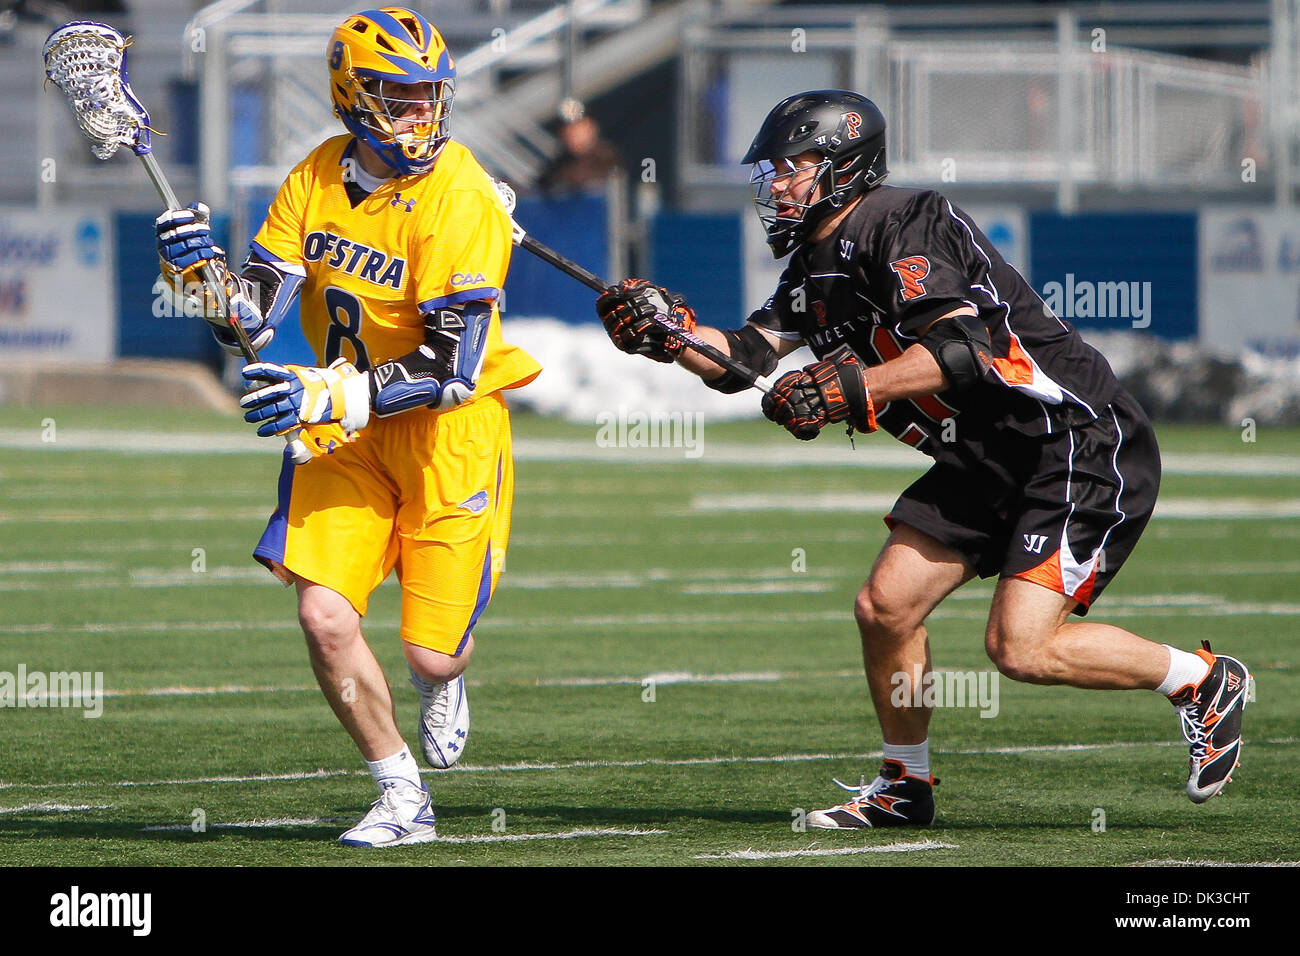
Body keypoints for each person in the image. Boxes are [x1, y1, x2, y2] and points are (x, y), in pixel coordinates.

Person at [594, 90, 1250, 828]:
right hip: (984, 456)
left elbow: (962, 351)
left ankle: (1198, 680)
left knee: (1020, 648)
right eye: (771, 171)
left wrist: (843, 388)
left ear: (844, 168)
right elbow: (742, 356)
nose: (775, 184)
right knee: (886, 606)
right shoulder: (815, 264)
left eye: (793, 166)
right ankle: (904, 786)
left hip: (1070, 438)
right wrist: (669, 331)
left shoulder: (904, 221)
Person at [154, 6, 540, 846]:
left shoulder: (462, 195)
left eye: (430, 96)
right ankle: (402, 797)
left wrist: (327, 396)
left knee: (433, 655)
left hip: (447, 434)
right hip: (346, 431)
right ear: (352, 94)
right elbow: (250, 322)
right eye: (400, 97)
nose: (421, 115)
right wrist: (198, 275)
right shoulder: (317, 176)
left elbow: (451, 370)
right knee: (325, 617)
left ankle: (446, 673)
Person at [537, 97, 621, 196]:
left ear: (591, 127)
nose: (572, 134)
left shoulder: (606, 159)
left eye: (578, 128)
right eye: (568, 129)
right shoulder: (557, 166)